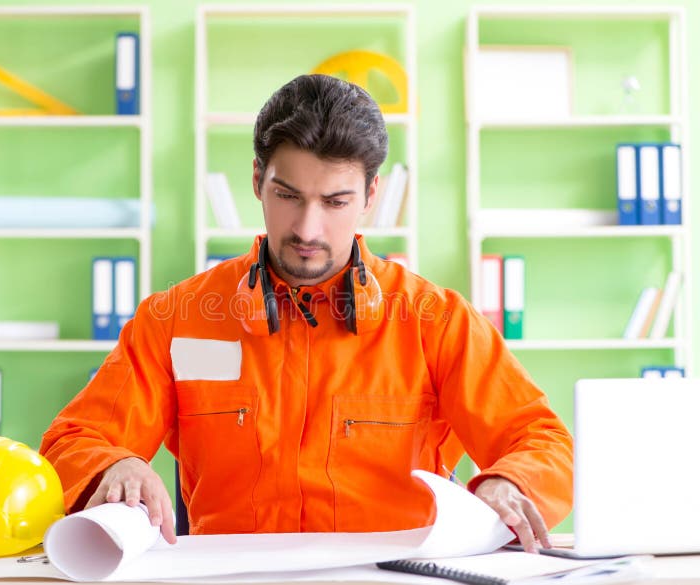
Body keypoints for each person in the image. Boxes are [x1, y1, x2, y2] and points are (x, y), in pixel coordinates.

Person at [40, 74, 572, 552]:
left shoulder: (437, 321)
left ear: (370, 196)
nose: (307, 230)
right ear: (257, 181)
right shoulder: (175, 319)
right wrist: (116, 462)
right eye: (288, 195)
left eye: (335, 202)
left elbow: (543, 441)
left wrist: (510, 482)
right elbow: (72, 439)